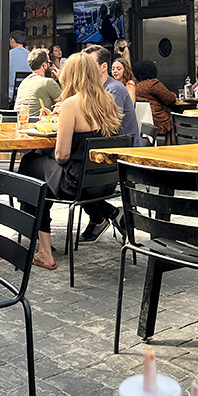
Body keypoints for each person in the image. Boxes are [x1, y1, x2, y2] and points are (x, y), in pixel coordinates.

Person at [19, 53, 123, 270]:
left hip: (77, 183)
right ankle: (109, 212)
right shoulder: (108, 99)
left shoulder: (72, 103)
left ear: (72, 76)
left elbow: (62, 156)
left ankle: (45, 251)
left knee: (30, 165)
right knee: (42, 175)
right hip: (105, 182)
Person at [133, 60, 177, 144]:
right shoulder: (153, 84)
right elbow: (169, 99)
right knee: (175, 121)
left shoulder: (135, 85)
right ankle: (168, 148)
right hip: (156, 117)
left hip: (141, 118)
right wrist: (174, 95)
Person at [14, 48, 61, 117]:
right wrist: (61, 79)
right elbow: (67, 103)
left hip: (21, 122)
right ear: (44, 65)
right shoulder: (47, 82)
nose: (51, 67)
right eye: (50, 64)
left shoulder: (24, 82)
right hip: (37, 124)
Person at [8, 30, 31, 103]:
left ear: (12, 40)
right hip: (28, 93)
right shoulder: (31, 55)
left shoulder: (7, 55)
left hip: (11, 95)